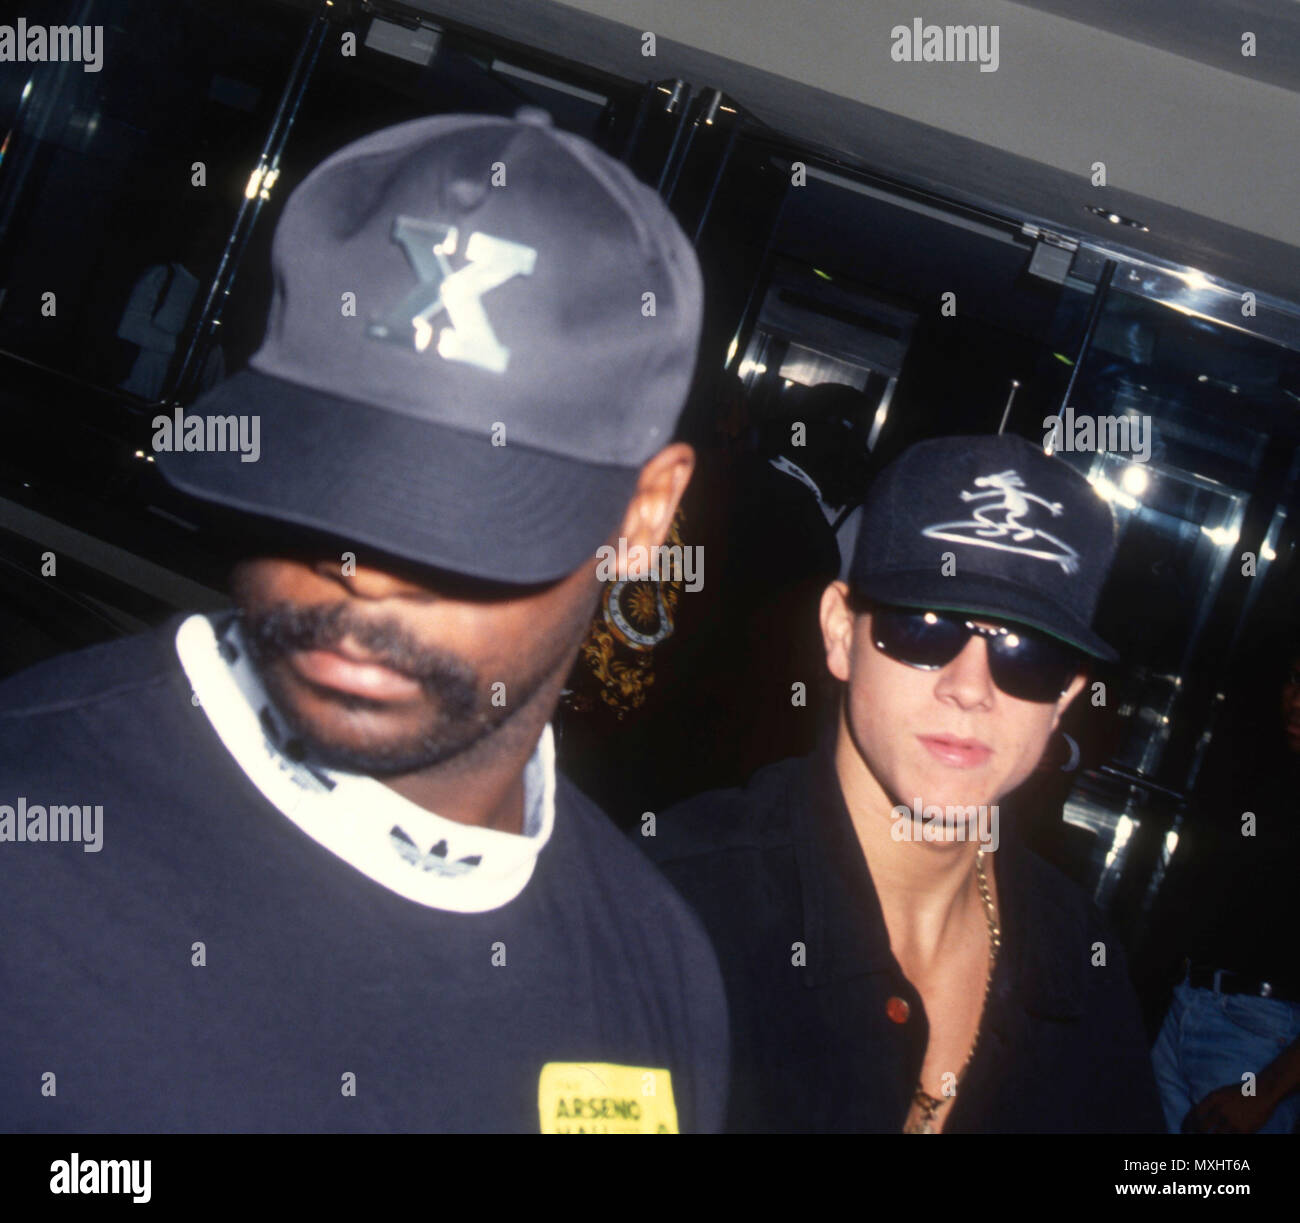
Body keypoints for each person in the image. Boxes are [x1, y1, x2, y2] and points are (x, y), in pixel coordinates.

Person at [0, 109, 728, 1134]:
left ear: (644, 517)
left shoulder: (658, 969)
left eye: (462, 516)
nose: (359, 575)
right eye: (321, 479)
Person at [643, 434, 1163, 1132]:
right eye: (923, 626)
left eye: (1026, 653)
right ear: (839, 631)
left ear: (1065, 696)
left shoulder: (1079, 963)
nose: (970, 686)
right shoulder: (674, 908)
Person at [1149, 632, 1300, 1134]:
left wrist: (1265, 1091)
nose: (1297, 700)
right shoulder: (1270, 773)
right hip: (1185, 1007)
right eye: (1296, 680)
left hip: (1257, 1040)